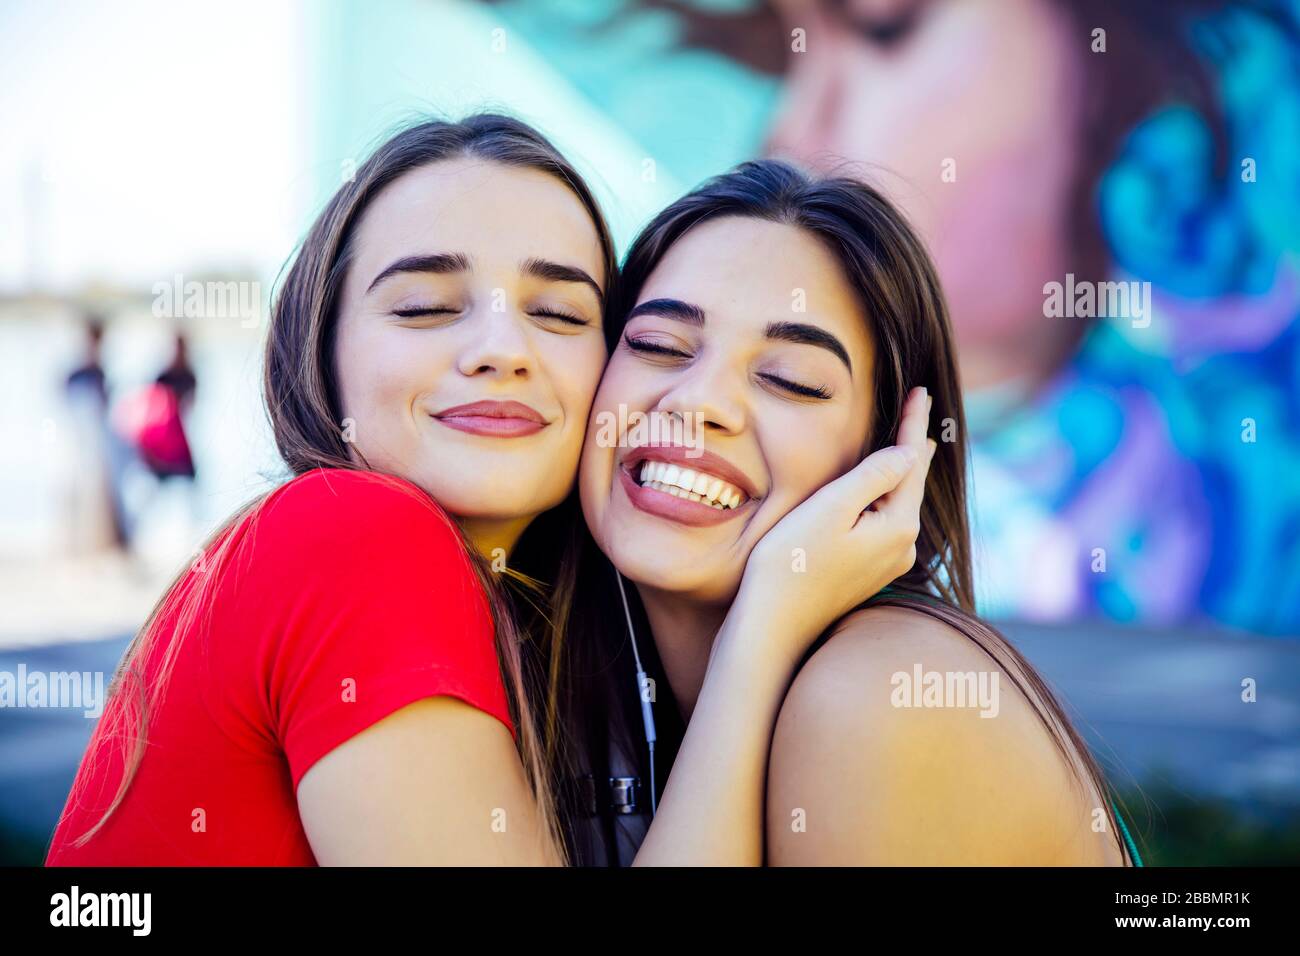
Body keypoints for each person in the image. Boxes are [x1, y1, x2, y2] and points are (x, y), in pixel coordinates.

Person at [45, 114, 932, 866]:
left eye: (559, 314)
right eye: (426, 306)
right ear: (320, 351)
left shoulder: (540, 636)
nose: (501, 349)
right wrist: (762, 635)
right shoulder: (356, 534)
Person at [576, 159, 1142, 865]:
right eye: (658, 346)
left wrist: (760, 636)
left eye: (791, 381)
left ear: (885, 459)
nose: (696, 405)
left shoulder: (881, 696)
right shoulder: (585, 689)